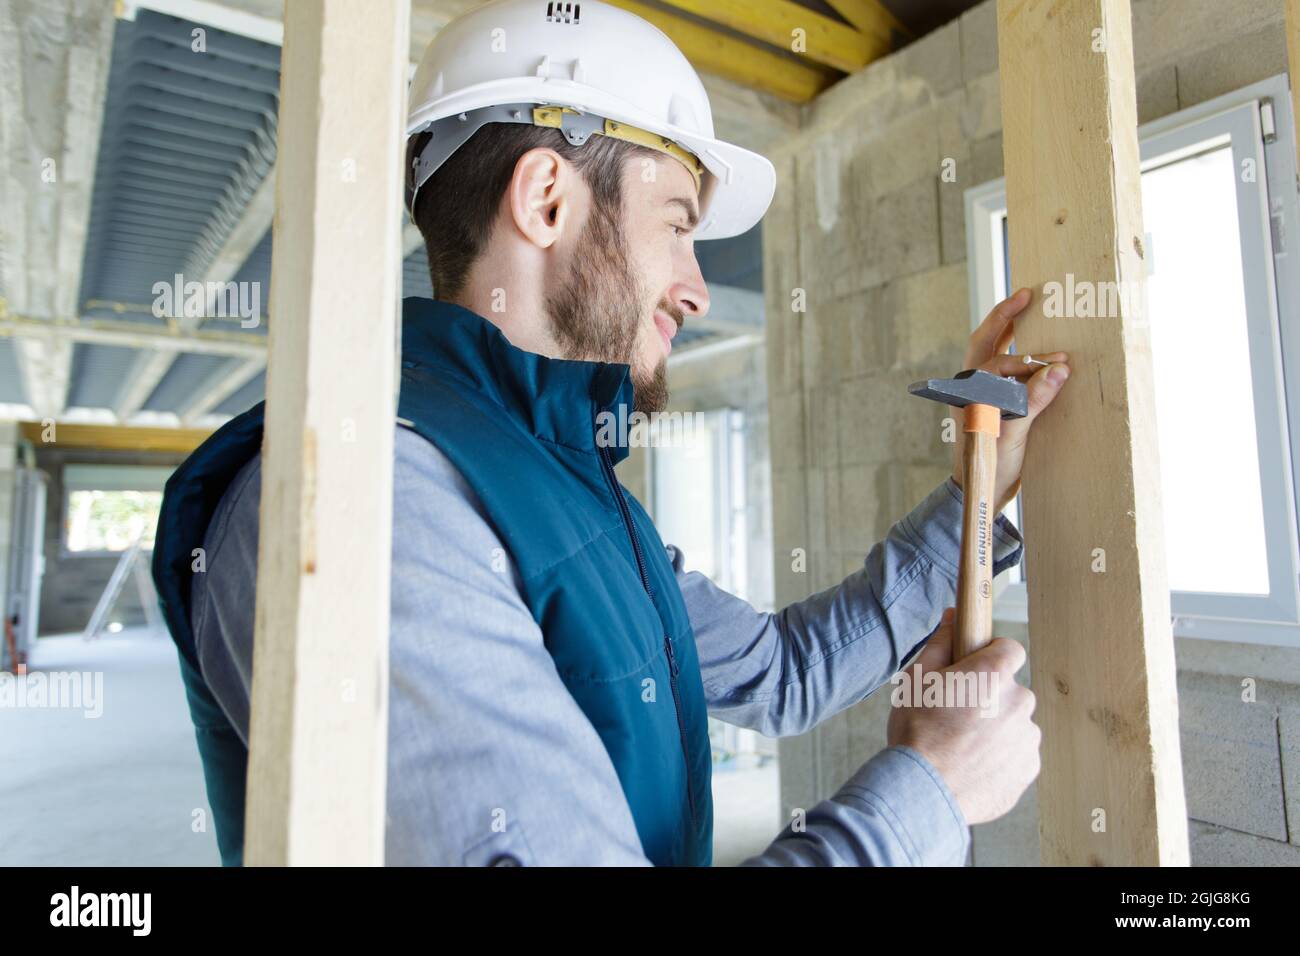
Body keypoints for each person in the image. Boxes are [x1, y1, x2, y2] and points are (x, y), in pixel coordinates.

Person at [153, 0, 1071, 866]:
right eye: (677, 223)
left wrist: (976, 494)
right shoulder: (370, 504)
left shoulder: (556, 485)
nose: (696, 288)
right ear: (547, 198)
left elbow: (785, 672)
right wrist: (931, 793)